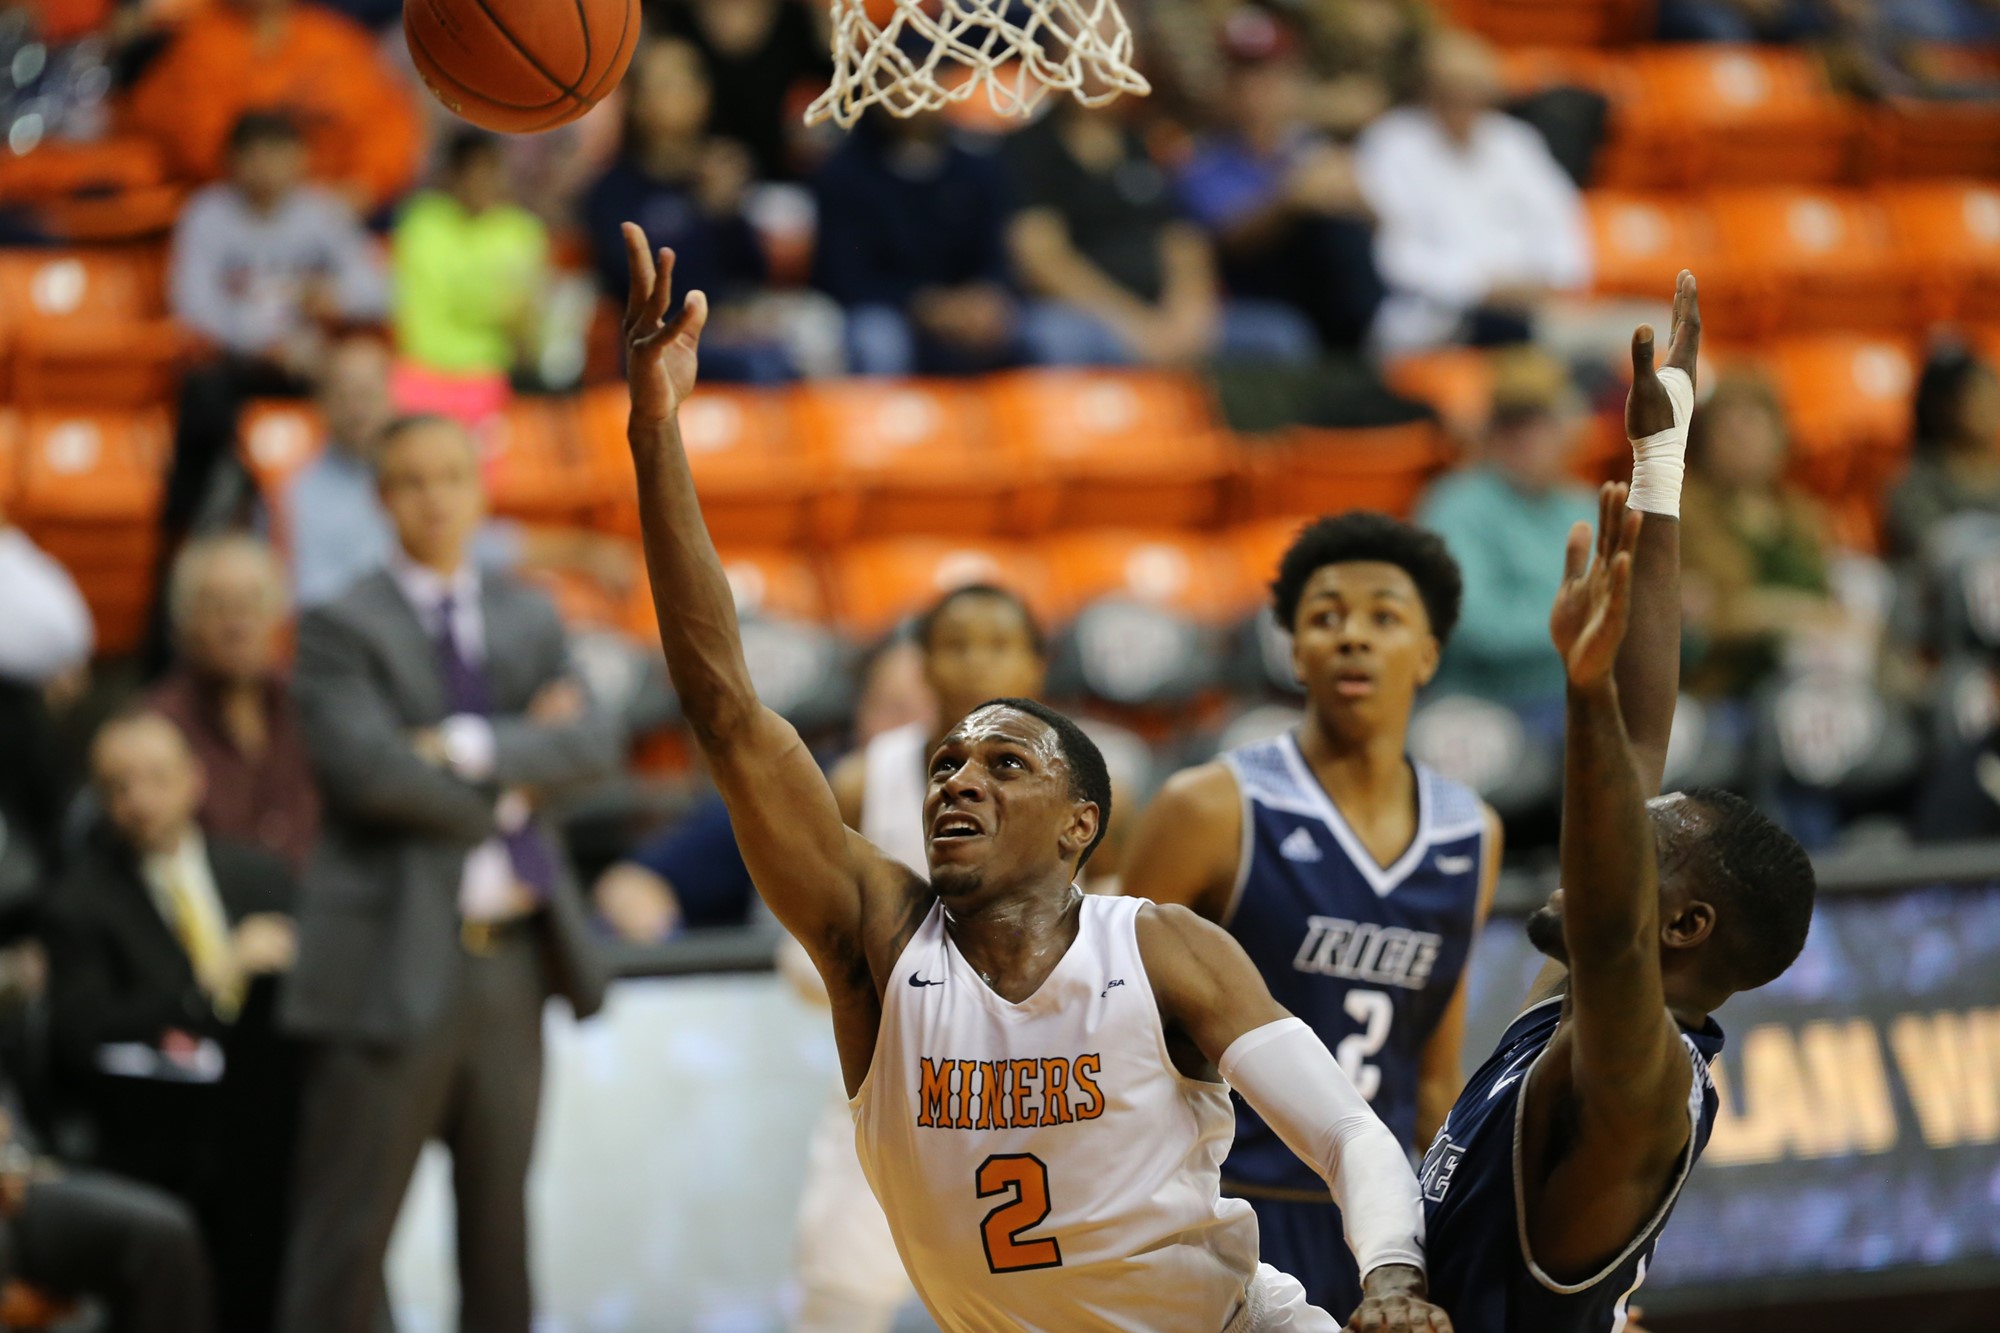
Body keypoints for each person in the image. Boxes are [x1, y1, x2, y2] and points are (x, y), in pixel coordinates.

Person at [618, 222, 1451, 1332]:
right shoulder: (877, 941)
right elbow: (725, 707)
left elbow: (1349, 1132)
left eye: (1004, 764)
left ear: (1079, 826)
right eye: (947, 761)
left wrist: (1391, 1276)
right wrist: (654, 431)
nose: (956, 780)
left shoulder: (1158, 947)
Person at [1422, 275, 1818, 1332]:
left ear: (1680, 926)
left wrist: (1580, 696)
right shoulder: (1593, 1001)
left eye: (1635, 848)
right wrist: (1658, 459)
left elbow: (1608, 880)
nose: (1593, 846)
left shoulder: (1637, 1074)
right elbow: (1642, 745)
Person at [277, 414, 621, 1333]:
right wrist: (519, 778)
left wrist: (467, 747)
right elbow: (367, 773)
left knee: (501, 1239)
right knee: (347, 1241)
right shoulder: (336, 624)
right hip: (387, 962)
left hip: (510, 965)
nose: (433, 497)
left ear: (481, 488)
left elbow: (593, 744)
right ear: (383, 498)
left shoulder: (527, 611)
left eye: (449, 477)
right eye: (411, 481)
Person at [1121, 504, 1495, 1322]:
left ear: (1428, 653)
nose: (1353, 635)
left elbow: (1433, 1077)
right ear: (1294, 650)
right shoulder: (1213, 805)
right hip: (1229, 1206)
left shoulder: (1471, 830)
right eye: (1326, 617)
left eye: (1384, 618)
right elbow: (1098, 1014)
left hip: (1383, 1224)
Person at [790, 584, 1054, 1333]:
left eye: (999, 643)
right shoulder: (863, 780)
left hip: (1031, 1097)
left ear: (1036, 664)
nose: (978, 662)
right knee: (835, 1300)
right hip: (890, 1086)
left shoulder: (1090, 787)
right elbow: (801, 957)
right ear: (924, 661)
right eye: (957, 642)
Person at [43, 710, 301, 1332]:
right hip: (162, 1136)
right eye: (118, 786)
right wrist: (210, 984)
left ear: (195, 781)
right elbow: (83, 1034)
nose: (139, 801)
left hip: (274, 1125)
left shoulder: (262, 874)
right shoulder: (79, 903)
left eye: (156, 779)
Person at [163, 111, 389, 550]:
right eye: (254, 154)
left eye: (279, 153)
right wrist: (261, 344)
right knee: (201, 396)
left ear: (301, 159)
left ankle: (359, 516)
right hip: (234, 366)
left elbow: (377, 289)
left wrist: (334, 294)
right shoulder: (207, 214)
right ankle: (204, 522)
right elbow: (193, 304)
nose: (266, 166)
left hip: (311, 366)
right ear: (233, 161)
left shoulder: (321, 213)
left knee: (363, 387)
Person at [284, 336, 638, 611]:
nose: (357, 409)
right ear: (321, 403)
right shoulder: (297, 495)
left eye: (368, 393)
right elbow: (315, 603)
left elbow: (478, 542)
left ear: (392, 394)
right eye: (344, 395)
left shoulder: (413, 465)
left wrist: (583, 552)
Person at [581, 36, 841, 382]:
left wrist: (728, 215)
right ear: (637, 100)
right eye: (666, 85)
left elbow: (752, 271)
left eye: (691, 80)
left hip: (728, 323)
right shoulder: (613, 190)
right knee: (761, 365)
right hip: (655, 338)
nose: (683, 93)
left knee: (818, 330)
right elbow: (629, 285)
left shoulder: (720, 170)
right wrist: (702, 213)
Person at [1003, 98, 1318, 368]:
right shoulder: (1029, 147)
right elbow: (1042, 260)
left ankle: (1269, 440)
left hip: (1165, 316)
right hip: (1094, 317)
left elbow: (1183, 239)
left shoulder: (1144, 142)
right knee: (1052, 337)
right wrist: (1133, 324)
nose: (1096, 62)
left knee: (1282, 335)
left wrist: (1188, 313)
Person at [1353, 29, 1589, 353]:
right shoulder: (1392, 145)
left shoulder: (1515, 142)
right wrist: (1482, 287)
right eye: (1451, 92)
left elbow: (1562, 223)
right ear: (1427, 90)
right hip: (1436, 317)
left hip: (1532, 305)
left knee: (1645, 335)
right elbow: (1395, 254)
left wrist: (1548, 282)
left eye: (1474, 92)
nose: (1464, 104)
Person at [1174, 8, 1384, 352]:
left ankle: (1373, 339)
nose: (1261, 90)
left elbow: (1379, 227)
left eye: (1273, 76)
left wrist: (1356, 197)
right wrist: (1291, 198)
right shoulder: (1203, 158)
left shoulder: (1311, 146)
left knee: (1340, 232)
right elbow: (1227, 239)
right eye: (1247, 77)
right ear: (1226, 84)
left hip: (1326, 294)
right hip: (1252, 292)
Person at [1416, 349, 1599, 715]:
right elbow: (1472, 626)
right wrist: (1588, 622)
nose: (1525, 438)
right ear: (1489, 432)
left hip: (1583, 696)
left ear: (1567, 429)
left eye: (1540, 422)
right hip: (1486, 705)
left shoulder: (1585, 504)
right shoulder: (1456, 505)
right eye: (1510, 424)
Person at [122, 0, 422, 214]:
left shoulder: (336, 40)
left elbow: (390, 122)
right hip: (242, 213)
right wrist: (277, 192)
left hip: (342, 213)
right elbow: (194, 141)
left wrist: (363, 187)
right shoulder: (198, 46)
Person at [150, 535, 321, 873]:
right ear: (184, 624)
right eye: (217, 608)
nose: (237, 625)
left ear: (279, 618)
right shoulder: (158, 727)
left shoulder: (314, 706)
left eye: (253, 604)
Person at [812, 110, 1023, 376]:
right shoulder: (843, 172)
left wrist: (988, 295)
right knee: (878, 340)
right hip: (887, 309)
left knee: (1058, 334)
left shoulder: (980, 168)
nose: (915, 94)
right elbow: (844, 277)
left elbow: (999, 257)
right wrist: (923, 305)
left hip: (969, 307)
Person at [1678, 375, 1850, 698]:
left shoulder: (1804, 514)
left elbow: (1834, 604)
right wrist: (1790, 614)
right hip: (1724, 687)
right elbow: (1703, 614)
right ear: (1704, 439)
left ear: (1781, 435)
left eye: (1753, 422)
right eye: (1727, 425)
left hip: (1813, 677)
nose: (1740, 436)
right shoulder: (1679, 511)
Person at [391, 130, 549, 383]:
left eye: (490, 170)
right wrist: (495, 298)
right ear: (453, 175)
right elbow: (417, 311)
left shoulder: (522, 229)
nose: (482, 181)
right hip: (425, 371)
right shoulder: (422, 221)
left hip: (498, 374)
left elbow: (526, 322)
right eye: (472, 170)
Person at [1886, 345, 2000, 559]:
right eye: (1977, 393)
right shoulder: (1914, 484)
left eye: (1993, 390)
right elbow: (1931, 550)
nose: (1992, 403)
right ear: (1944, 406)